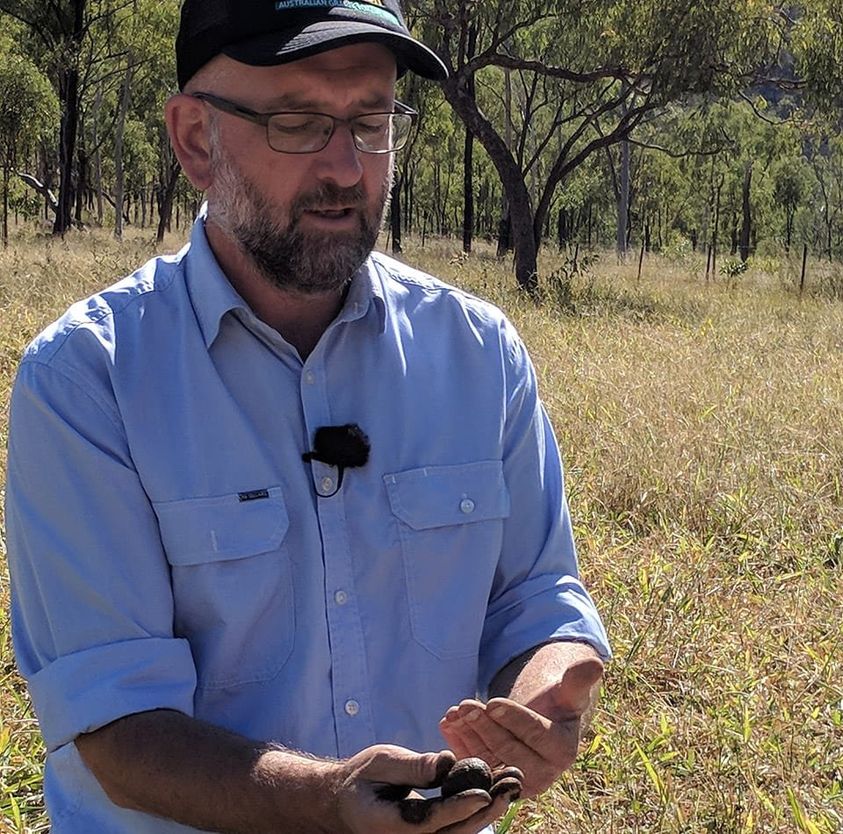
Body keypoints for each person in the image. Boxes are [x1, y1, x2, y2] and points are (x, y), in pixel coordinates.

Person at [5, 1, 611, 832]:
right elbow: (114, 723)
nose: (346, 168)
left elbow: (536, 596)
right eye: (297, 123)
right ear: (194, 140)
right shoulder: (90, 379)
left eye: (370, 122)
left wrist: (544, 687)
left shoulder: (475, 354)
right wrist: (322, 803)